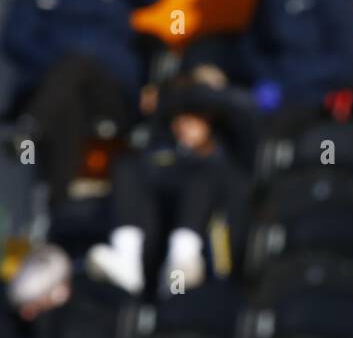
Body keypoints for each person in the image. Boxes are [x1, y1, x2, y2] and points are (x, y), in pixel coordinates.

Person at [1, 0, 166, 205]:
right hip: (54, 92)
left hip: (110, 93)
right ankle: (57, 215)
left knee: (76, 66)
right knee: (66, 100)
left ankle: (27, 132)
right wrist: (55, 67)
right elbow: (15, 38)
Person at [86, 80, 249, 296]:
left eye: (191, 118)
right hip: (155, 255)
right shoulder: (168, 159)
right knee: (128, 168)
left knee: (178, 283)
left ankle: (179, 266)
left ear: (208, 121)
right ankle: (126, 257)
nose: (182, 125)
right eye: (177, 119)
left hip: (203, 265)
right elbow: (146, 174)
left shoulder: (226, 165)